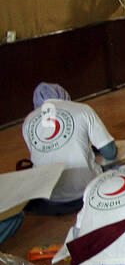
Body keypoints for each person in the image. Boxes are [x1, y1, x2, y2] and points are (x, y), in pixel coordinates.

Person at [22, 82, 116, 214]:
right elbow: (111, 153)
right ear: (64, 94)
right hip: (88, 192)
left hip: (49, 200)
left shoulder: (27, 121)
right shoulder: (83, 109)